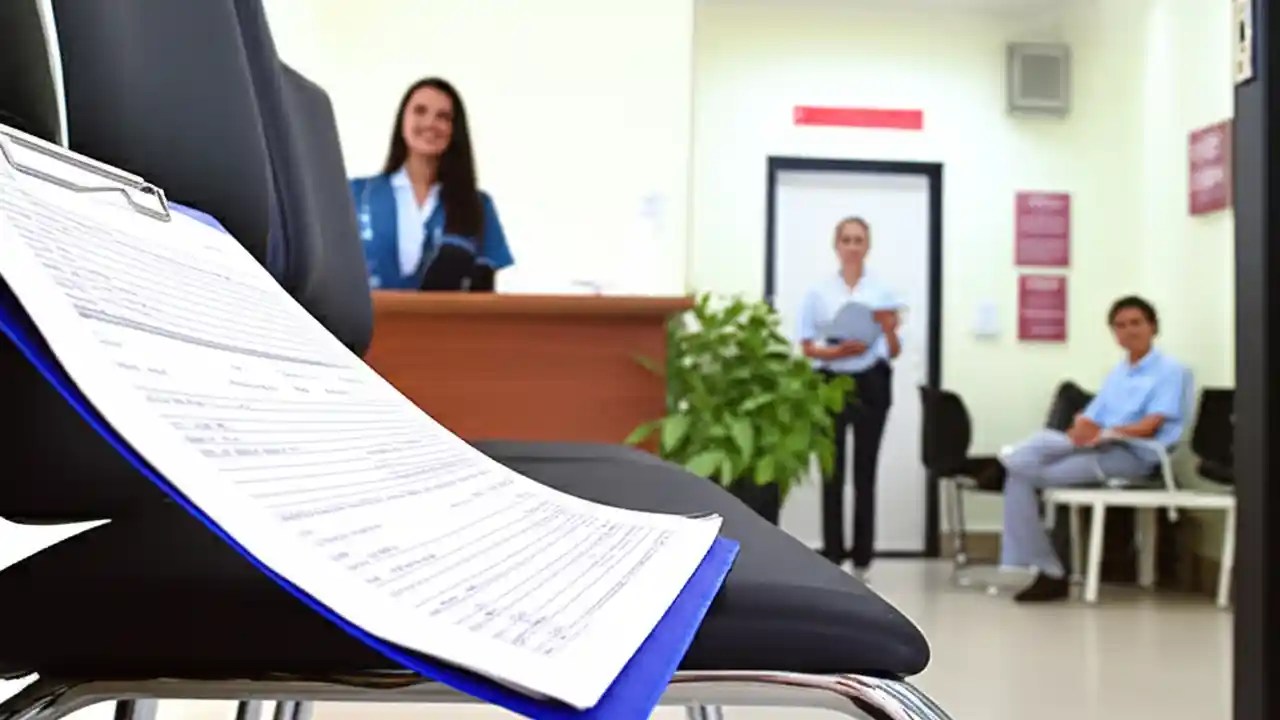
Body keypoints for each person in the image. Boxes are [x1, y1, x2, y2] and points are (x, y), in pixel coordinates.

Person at [1001, 295, 1187, 602]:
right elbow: (1089, 416)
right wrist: (1081, 430)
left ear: (1153, 327)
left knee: (1021, 472)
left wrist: (1105, 432)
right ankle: (1046, 566)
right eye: (1120, 326)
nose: (1129, 331)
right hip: (1099, 447)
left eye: (1136, 323)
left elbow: (1151, 425)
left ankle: (1050, 570)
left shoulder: (1171, 371)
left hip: (1133, 455)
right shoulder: (1120, 372)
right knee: (1026, 468)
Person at [796, 216, 902, 575]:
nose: (853, 246)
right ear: (836, 245)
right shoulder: (818, 292)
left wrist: (888, 330)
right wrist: (837, 353)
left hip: (872, 381)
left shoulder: (884, 292)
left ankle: (862, 557)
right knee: (832, 470)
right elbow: (808, 346)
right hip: (831, 381)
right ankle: (833, 552)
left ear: (867, 246)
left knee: (865, 471)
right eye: (846, 240)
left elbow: (894, 349)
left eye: (859, 240)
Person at [349, 77, 514, 292]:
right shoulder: (355, 194)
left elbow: (483, 299)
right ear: (402, 121)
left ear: (455, 130)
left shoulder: (478, 206)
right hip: (365, 324)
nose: (430, 123)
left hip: (447, 325)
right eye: (420, 111)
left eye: (443, 117)